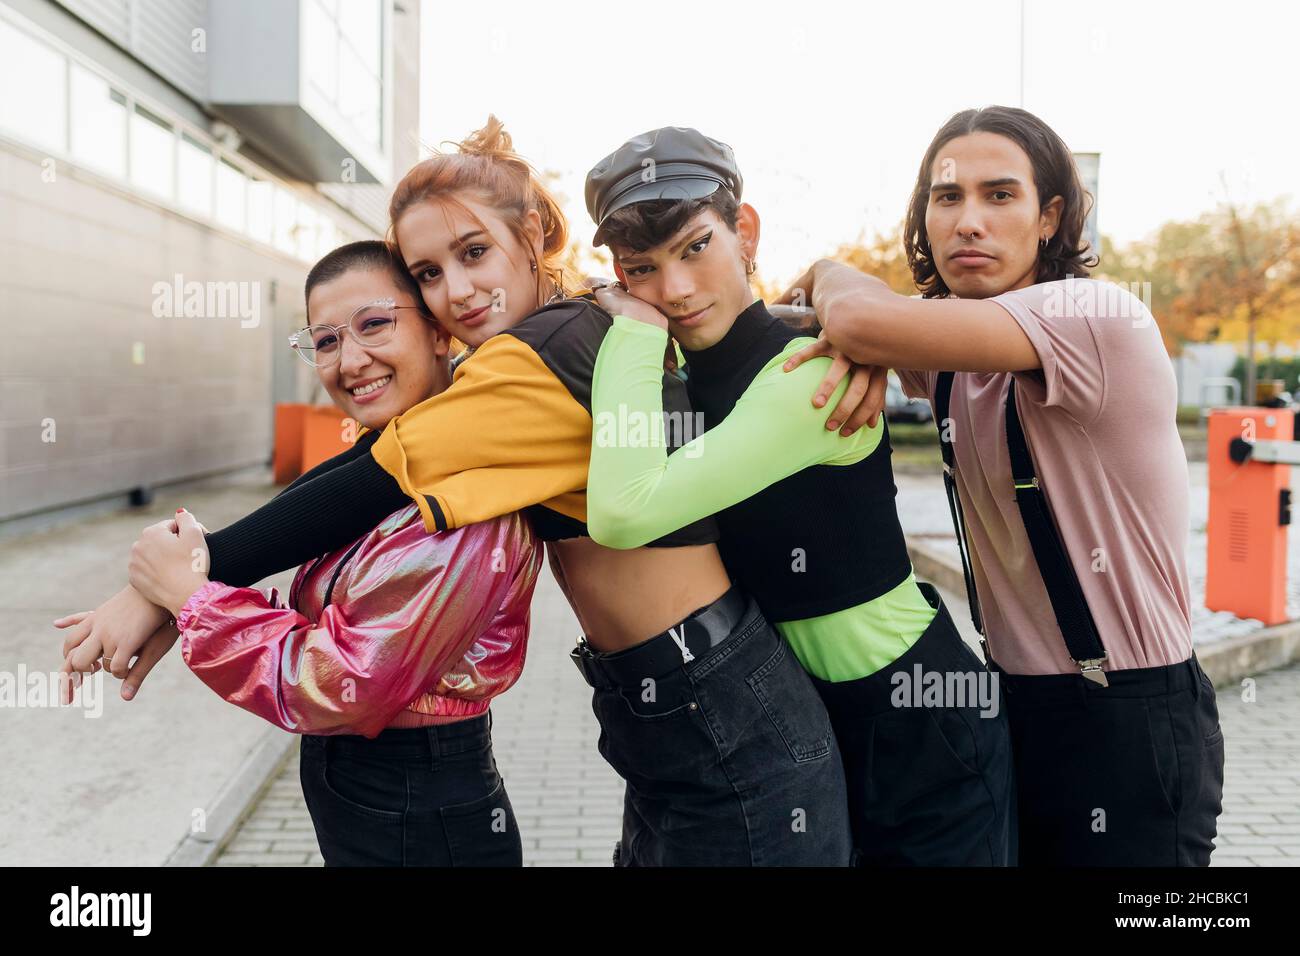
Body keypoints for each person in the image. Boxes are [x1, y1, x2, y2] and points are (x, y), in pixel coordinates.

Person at [61, 119, 856, 866]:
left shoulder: (537, 355)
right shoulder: (575, 326)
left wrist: (182, 583)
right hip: (684, 707)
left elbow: (365, 483)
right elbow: (371, 462)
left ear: (533, 235)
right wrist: (178, 586)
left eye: (475, 252)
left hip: (716, 710)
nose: (459, 291)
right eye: (430, 274)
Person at [780, 105, 1225, 866]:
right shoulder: (954, 343)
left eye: (999, 195)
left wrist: (825, 270)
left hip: (1130, 717)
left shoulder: (1094, 316)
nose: (968, 223)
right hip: (1014, 706)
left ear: (1050, 216)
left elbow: (855, 320)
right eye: (946, 198)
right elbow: (800, 333)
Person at [582, 127, 1014, 865]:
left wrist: (631, 326)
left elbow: (622, 512)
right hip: (804, 721)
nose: (675, 290)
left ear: (743, 231)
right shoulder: (689, 375)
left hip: (918, 717)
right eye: (640, 270)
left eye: (695, 248)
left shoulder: (810, 374)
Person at [66, 241, 540, 866]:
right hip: (374, 794)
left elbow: (339, 683)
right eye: (324, 341)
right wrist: (170, 599)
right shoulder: (379, 474)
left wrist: (191, 600)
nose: (350, 360)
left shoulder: (466, 500)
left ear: (439, 332)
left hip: (422, 813)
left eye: (375, 324)